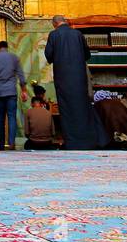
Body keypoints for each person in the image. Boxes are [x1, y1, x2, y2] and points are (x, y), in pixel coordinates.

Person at [43, 15, 103, 150]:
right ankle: (88, 142)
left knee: (67, 109)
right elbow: (87, 55)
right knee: (82, 107)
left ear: (54, 24)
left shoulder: (54, 35)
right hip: (79, 77)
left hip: (63, 78)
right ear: (65, 22)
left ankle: (72, 142)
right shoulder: (77, 34)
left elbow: (49, 55)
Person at [0, 40, 27, 150]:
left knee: (0, 119)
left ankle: (1, 144)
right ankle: (12, 143)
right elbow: (21, 75)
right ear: (7, 47)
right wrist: (24, 90)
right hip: (11, 92)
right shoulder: (14, 58)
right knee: (11, 117)